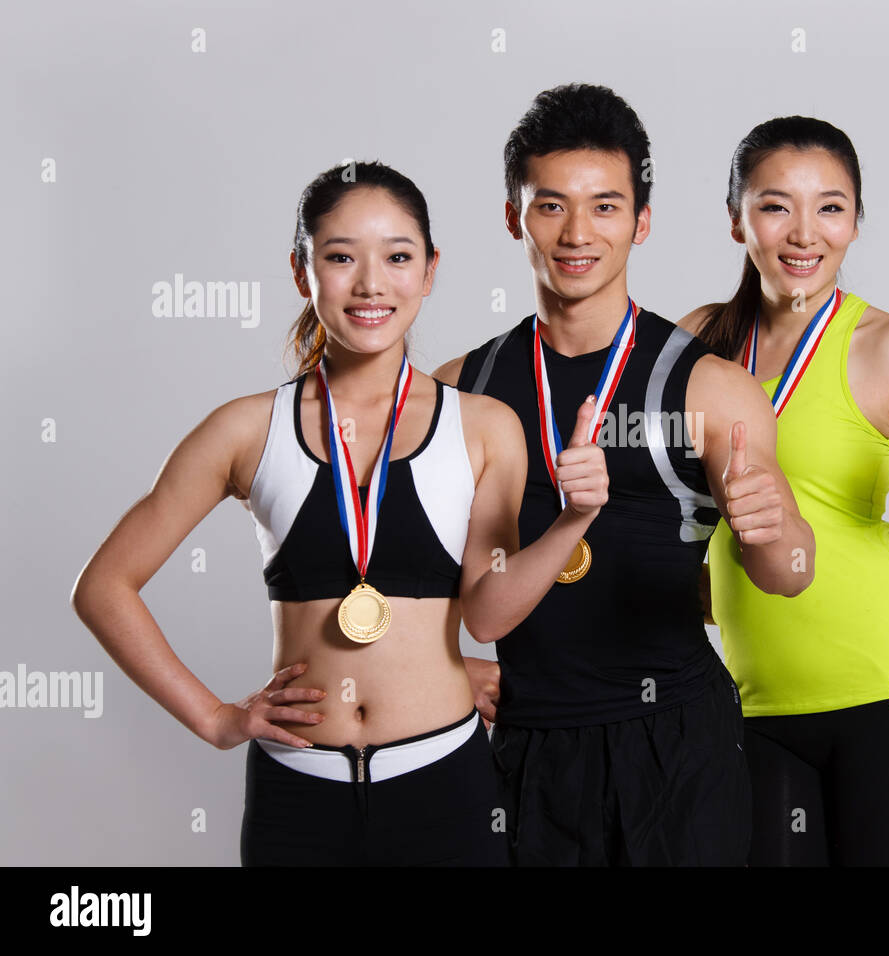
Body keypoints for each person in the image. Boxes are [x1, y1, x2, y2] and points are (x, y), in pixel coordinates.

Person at [70, 161, 609, 866]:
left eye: (397, 257)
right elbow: (104, 587)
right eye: (340, 257)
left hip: (445, 781)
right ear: (302, 270)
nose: (371, 284)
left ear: (430, 269)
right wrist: (216, 717)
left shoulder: (483, 426)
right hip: (299, 793)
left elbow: (487, 614)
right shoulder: (244, 430)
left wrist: (573, 520)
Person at [435, 83, 816, 866]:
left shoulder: (711, 386)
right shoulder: (459, 389)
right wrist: (446, 669)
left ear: (641, 222)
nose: (578, 232)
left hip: (677, 739)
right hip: (528, 739)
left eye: (605, 206)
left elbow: (787, 576)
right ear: (515, 216)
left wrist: (774, 523)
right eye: (551, 206)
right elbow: (417, 570)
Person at [679, 116, 889, 865]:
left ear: (856, 223)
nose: (805, 233)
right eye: (776, 206)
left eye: (830, 207)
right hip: (751, 704)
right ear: (737, 219)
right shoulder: (700, 340)